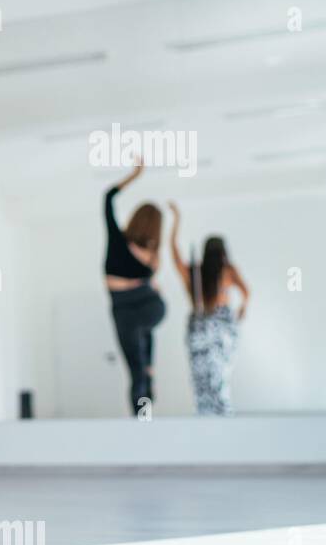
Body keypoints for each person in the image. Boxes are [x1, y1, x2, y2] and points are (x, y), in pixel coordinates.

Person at [168, 203, 250, 415]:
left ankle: (206, 418)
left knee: (201, 383)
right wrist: (242, 310)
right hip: (223, 326)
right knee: (220, 378)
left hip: (199, 325)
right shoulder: (227, 270)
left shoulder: (196, 272)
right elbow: (246, 293)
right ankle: (223, 416)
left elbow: (175, 256)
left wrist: (176, 222)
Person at [103, 161, 165, 416]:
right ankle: (149, 377)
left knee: (135, 369)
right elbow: (151, 284)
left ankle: (141, 417)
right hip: (152, 305)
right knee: (144, 348)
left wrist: (133, 176)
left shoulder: (117, 240)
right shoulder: (153, 257)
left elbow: (107, 198)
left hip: (124, 308)